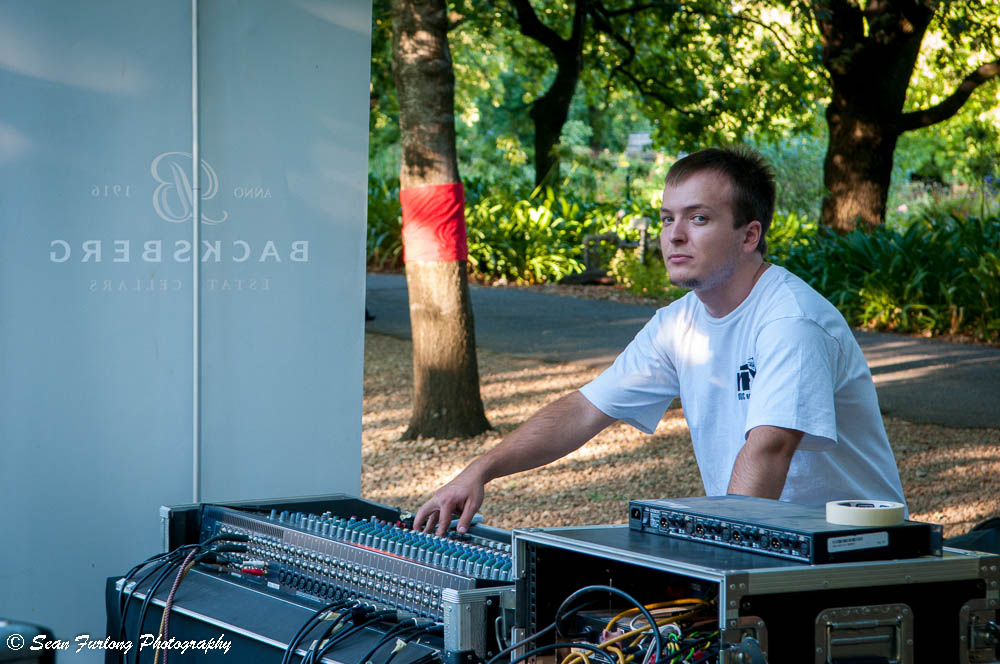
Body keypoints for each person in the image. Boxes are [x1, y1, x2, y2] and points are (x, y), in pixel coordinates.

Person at [414, 147, 905, 536]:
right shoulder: (678, 323)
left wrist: (720, 557)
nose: (674, 235)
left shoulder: (791, 321)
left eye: (698, 218)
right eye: (668, 218)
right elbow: (584, 410)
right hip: (762, 541)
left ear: (749, 235)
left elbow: (770, 448)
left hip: (851, 559)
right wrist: (479, 471)